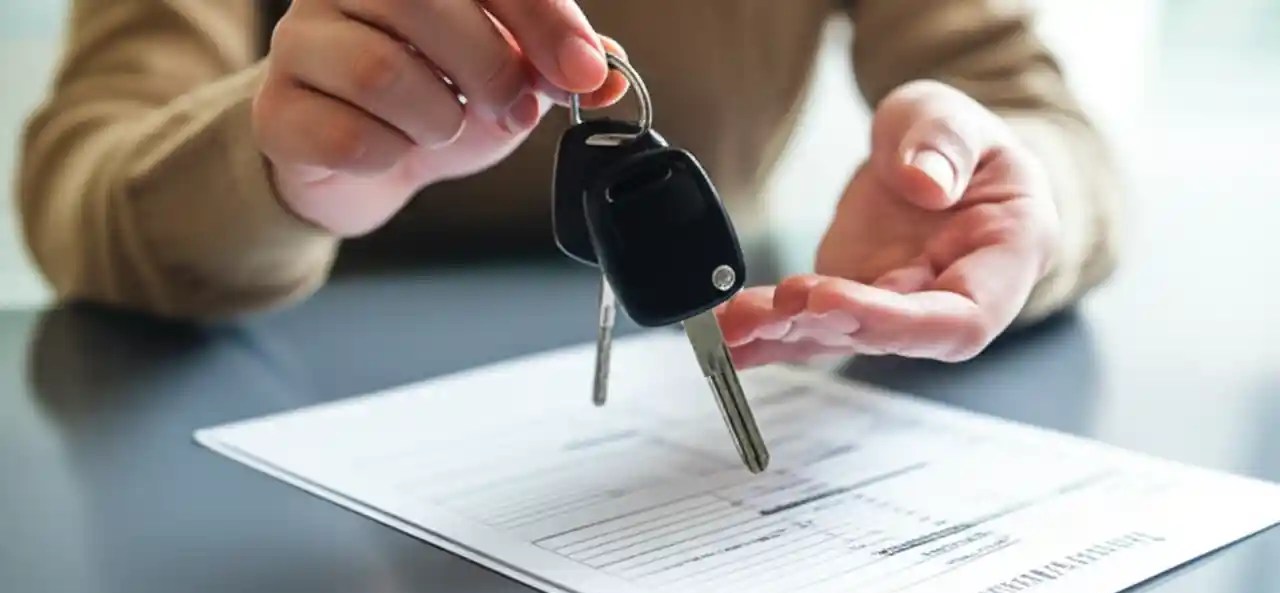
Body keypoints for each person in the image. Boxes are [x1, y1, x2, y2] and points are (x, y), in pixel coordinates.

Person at [17, 0, 1120, 368]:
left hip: (709, 341)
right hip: (283, 362)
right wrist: (280, 164)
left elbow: (1032, 113)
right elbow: (85, 173)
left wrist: (1001, 197)